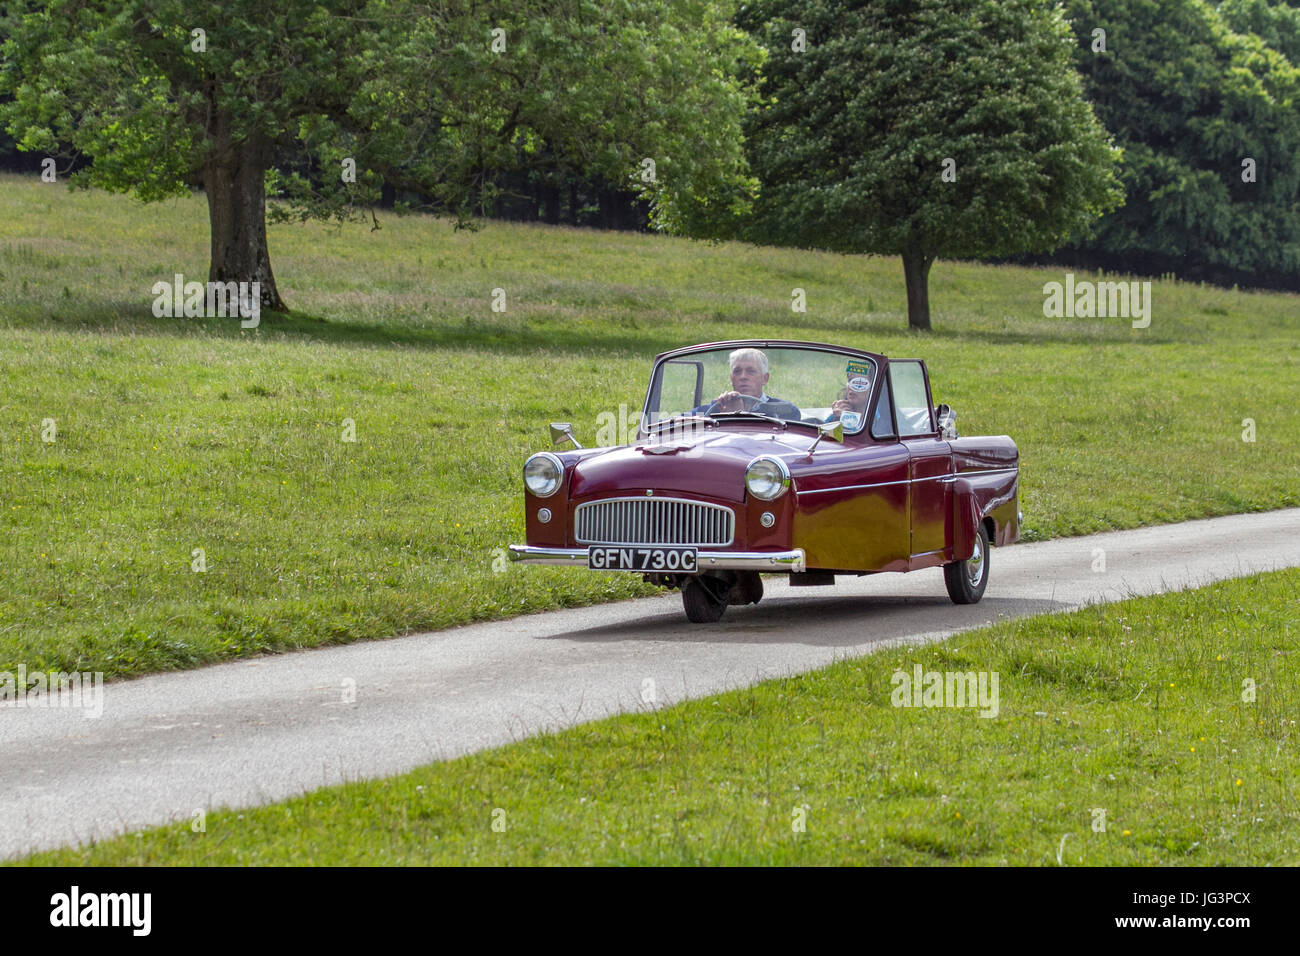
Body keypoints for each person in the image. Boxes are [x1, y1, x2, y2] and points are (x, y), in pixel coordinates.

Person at [691, 348, 800, 420]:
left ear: (765, 378)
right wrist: (722, 412)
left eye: (751, 371)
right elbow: (677, 426)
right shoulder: (716, 408)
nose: (743, 377)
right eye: (737, 371)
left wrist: (736, 416)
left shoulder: (784, 410)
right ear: (731, 378)